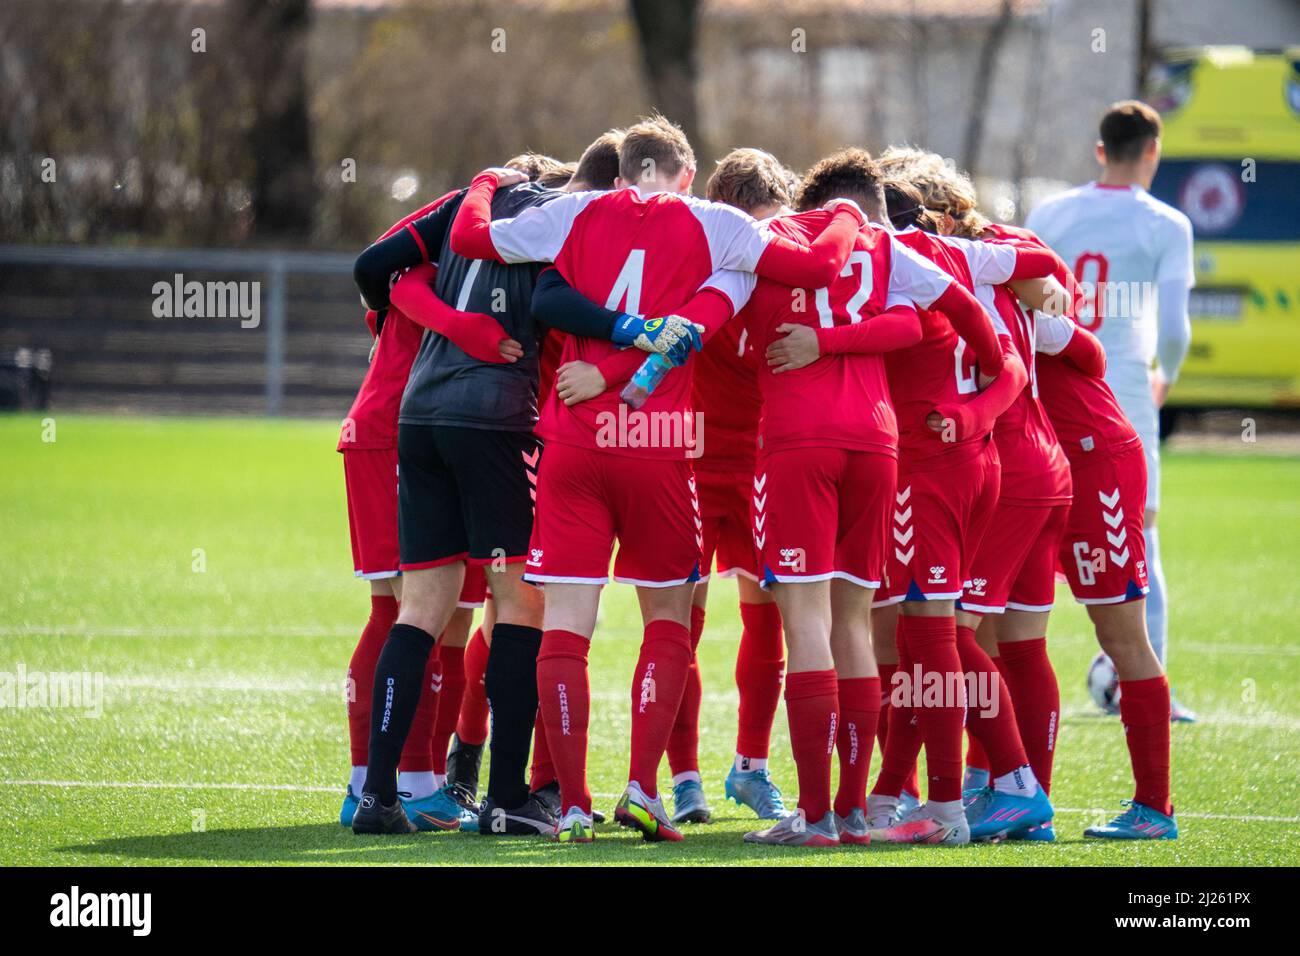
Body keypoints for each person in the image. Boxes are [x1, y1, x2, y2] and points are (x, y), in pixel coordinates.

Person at [449, 113, 871, 844]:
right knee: (669, 623)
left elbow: (470, 238)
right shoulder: (718, 225)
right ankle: (646, 786)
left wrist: (486, 182)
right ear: (685, 173)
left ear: (623, 172)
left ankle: (574, 803)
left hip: (575, 444)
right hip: (663, 448)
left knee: (567, 628)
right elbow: (813, 269)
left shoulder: (571, 211)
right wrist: (841, 214)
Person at [349, 140, 659, 837]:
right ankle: (507, 799)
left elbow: (384, 270)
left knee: (419, 610)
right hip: (492, 423)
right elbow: (553, 298)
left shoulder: (474, 201)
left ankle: (377, 796)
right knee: (520, 602)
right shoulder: (575, 221)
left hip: (419, 416)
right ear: (612, 189)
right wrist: (634, 333)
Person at [1025, 100, 1196, 723]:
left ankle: (1026, 689)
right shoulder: (1166, 223)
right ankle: (1141, 679)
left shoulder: (1052, 212)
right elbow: (1174, 327)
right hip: (1120, 390)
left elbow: (1023, 292)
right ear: (1152, 150)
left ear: (1101, 150)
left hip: (1055, 387)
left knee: (1031, 534)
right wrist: (1165, 375)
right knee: (1138, 541)